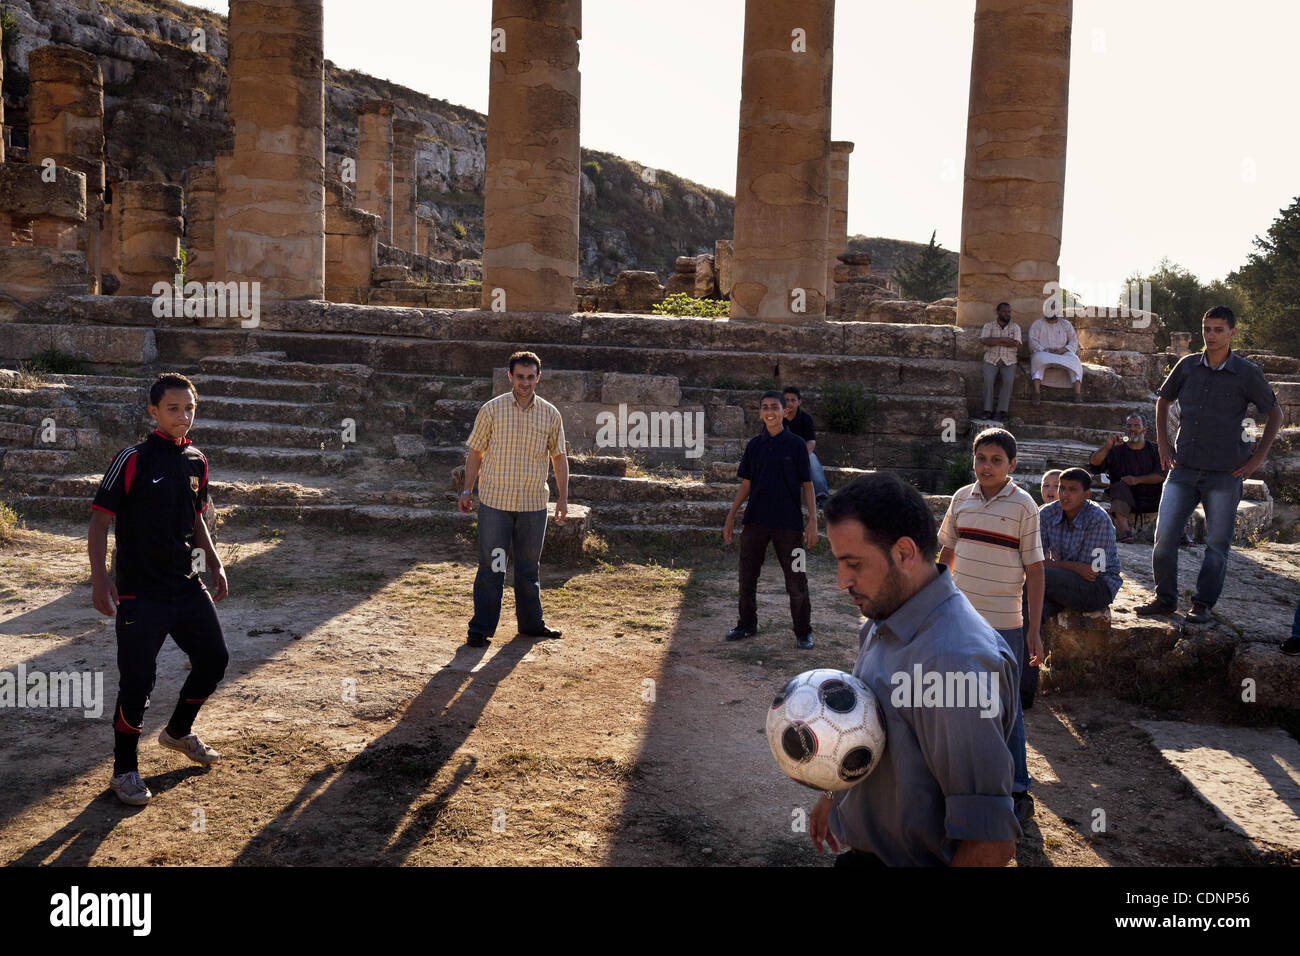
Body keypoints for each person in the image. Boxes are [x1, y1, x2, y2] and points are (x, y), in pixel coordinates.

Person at [810, 473, 1020, 866]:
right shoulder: (885, 615)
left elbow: (989, 844)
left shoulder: (953, 665)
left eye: (853, 564)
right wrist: (835, 797)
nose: (841, 581)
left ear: (905, 553)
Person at [88, 373, 230, 807]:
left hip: (185, 586)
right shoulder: (131, 459)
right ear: (153, 411)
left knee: (214, 660)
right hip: (139, 593)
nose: (183, 417)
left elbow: (196, 517)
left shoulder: (197, 461)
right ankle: (124, 771)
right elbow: (99, 520)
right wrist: (99, 578)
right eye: (173, 409)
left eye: (189, 408)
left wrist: (213, 562)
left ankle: (178, 731)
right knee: (138, 681)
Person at [1136, 307, 1284, 624]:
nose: (1211, 335)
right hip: (1183, 468)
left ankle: (1202, 604)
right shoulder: (1187, 365)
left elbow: (1275, 414)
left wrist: (1257, 458)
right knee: (1163, 540)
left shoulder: (1247, 372)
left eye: (1218, 329)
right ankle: (1164, 599)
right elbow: (1162, 401)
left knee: (1216, 545)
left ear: (1232, 333)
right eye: (1207, 329)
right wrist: (1163, 443)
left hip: (1225, 473)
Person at [937, 427, 1044, 826]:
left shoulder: (1025, 507)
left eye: (996, 460)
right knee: (954, 698)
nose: (987, 466)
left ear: (1012, 465)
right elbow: (947, 551)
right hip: (959, 620)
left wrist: (1033, 630)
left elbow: (1035, 569)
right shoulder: (961, 499)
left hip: (1005, 625)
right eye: (981, 458)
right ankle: (959, 780)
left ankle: (1017, 787)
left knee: (1006, 707)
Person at [461, 350, 568, 647]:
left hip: (534, 503)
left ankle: (532, 625)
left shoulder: (550, 414)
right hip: (496, 502)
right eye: (519, 376)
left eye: (530, 376)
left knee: (528, 569)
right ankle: (480, 629)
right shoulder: (492, 410)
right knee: (492, 568)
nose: (525, 382)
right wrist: (467, 490)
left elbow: (559, 458)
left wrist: (562, 498)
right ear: (510, 376)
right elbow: (475, 453)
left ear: (538, 378)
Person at [723, 391, 818, 649]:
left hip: (789, 525)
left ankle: (802, 631)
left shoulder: (797, 444)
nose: (770, 411)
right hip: (756, 522)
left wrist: (813, 521)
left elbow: (807, 485)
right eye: (765, 407)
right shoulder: (755, 445)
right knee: (747, 576)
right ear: (760, 412)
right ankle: (746, 625)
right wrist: (731, 516)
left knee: (797, 578)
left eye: (774, 406)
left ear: (784, 410)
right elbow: (746, 484)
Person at [1037, 468, 1123, 620]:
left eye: (1072, 490)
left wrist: (1052, 564)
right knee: (1032, 607)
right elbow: (1034, 560)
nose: (1065, 495)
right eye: (1062, 488)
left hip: (1098, 587)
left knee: (1039, 576)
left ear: (1087, 494)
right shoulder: (1047, 513)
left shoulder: (1098, 519)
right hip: (1063, 582)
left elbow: (1093, 571)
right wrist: (1074, 566)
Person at [1089, 413, 1165, 542]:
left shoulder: (1155, 450)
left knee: (1173, 489)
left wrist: (1137, 480)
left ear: (1144, 430)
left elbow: (1161, 474)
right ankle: (1126, 532)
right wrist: (1108, 446)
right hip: (1124, 498)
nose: (1132, 429)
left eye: (1137, 426)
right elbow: (1094, 464)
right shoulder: (1116, 450)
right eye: (1129, 426)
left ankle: (1178, 533)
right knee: (1117, 487)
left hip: (1152, 497)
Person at [782, 385, 830, 508]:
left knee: (812, 459)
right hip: (780, 454)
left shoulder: (805, 419)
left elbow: (811, 442)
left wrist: (800, 456)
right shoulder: (776, 418)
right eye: (786, 400)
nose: (790, 403)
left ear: (799, 402)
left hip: (801, 453)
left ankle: (822, 496)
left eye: (793, 400)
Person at [1028, 311, 1083, 404]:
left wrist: (1064, 349)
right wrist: (1045, 350)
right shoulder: (1037, 324)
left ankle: (1077, 394)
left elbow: (1074, 340)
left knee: (1075, 361)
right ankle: (1037, 393)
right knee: (1037, 359)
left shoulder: (1066, 324)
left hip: (1063, 353)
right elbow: (1032, 341)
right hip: (1044, 352)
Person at [980, 301, 1022, 421]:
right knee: (988, 381)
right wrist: (1004, 339)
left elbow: (1015, 343)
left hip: (1009, 361)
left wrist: (995, 341)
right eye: (1004, 311)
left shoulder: (1015, 327)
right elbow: (985, 341)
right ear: (998, 312)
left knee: (1008, 382)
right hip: (991, 359)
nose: (1007, 314)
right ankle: (987, 410)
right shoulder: (989, 326)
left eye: (1009, 312)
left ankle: (1001, 411)